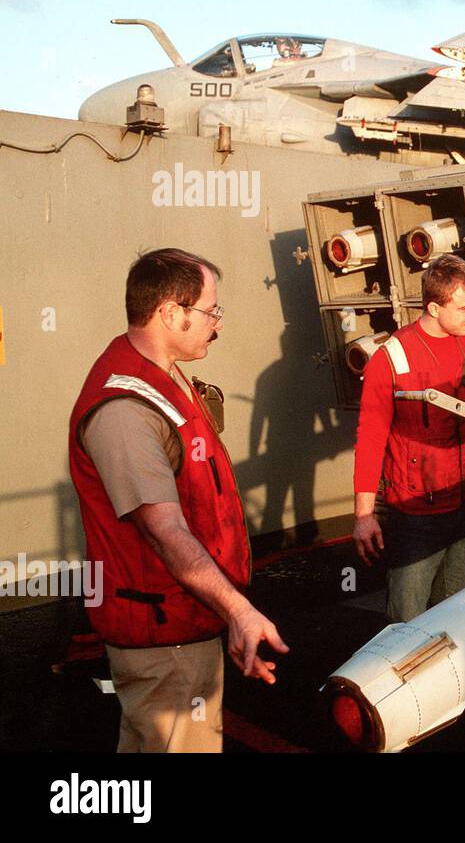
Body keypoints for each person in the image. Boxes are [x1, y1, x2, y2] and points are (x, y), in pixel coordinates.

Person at [69, 248, 288, 752]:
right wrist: (238, 611)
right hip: (162, 635)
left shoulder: (162, 375)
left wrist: (224, 613)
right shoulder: (126, 407)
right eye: (211, 311)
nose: (217, 324)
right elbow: (163, 531)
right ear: (171, 313)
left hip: (182, 622)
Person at [352, 254, 465, 622]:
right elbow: (370, 439)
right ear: (433, 306)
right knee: (407, 618)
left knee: (461, 611)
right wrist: (364, 514)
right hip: (415, 515)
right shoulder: (391, 359)